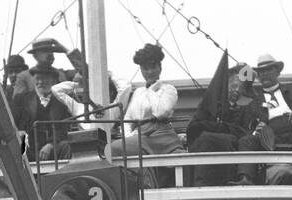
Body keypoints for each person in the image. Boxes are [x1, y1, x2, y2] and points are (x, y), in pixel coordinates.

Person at [238, 51, 292, 185]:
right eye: (261, 72)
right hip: (268, 135)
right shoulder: (254, 102)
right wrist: (256, 129)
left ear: (277, 72)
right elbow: (246, 126)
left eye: (268, 70)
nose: (264, 74)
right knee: (246, 140)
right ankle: (246, 179)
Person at [110, 44, 183, 186]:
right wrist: (129, 137)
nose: (149, 72)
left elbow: (160, 112)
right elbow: (128, 119)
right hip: (141, 136)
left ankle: (150, 187)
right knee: (114, 148)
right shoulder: (138, 92)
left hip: (162, 136)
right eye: (145, 68)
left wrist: (152, 89)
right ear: (141, 70)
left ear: (160, 68)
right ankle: (148, 185)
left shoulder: (169, 89)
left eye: (153, 67)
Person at [186, 71, 261, 186]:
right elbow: (194, 127)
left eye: (241, 88)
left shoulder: (244, 109)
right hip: (205, 146)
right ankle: (201, 183)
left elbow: (242, 131)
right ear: (225, 86)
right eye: (234, 86)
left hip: (231, 148)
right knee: (205, 139)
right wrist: (221, 127)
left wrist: (217, 127)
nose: (237, 90)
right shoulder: (210, 105)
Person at [14, 63, 75, 162]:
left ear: (54, 81)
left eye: (45, 79)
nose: (40, 82)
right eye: (37, 78)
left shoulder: (62, 102)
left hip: (53, 149)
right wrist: (20, 134)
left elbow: (64, 130)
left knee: (66, 146)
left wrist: (51, 144)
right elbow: (14, 124)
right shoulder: (22, 100)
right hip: (27, 148)